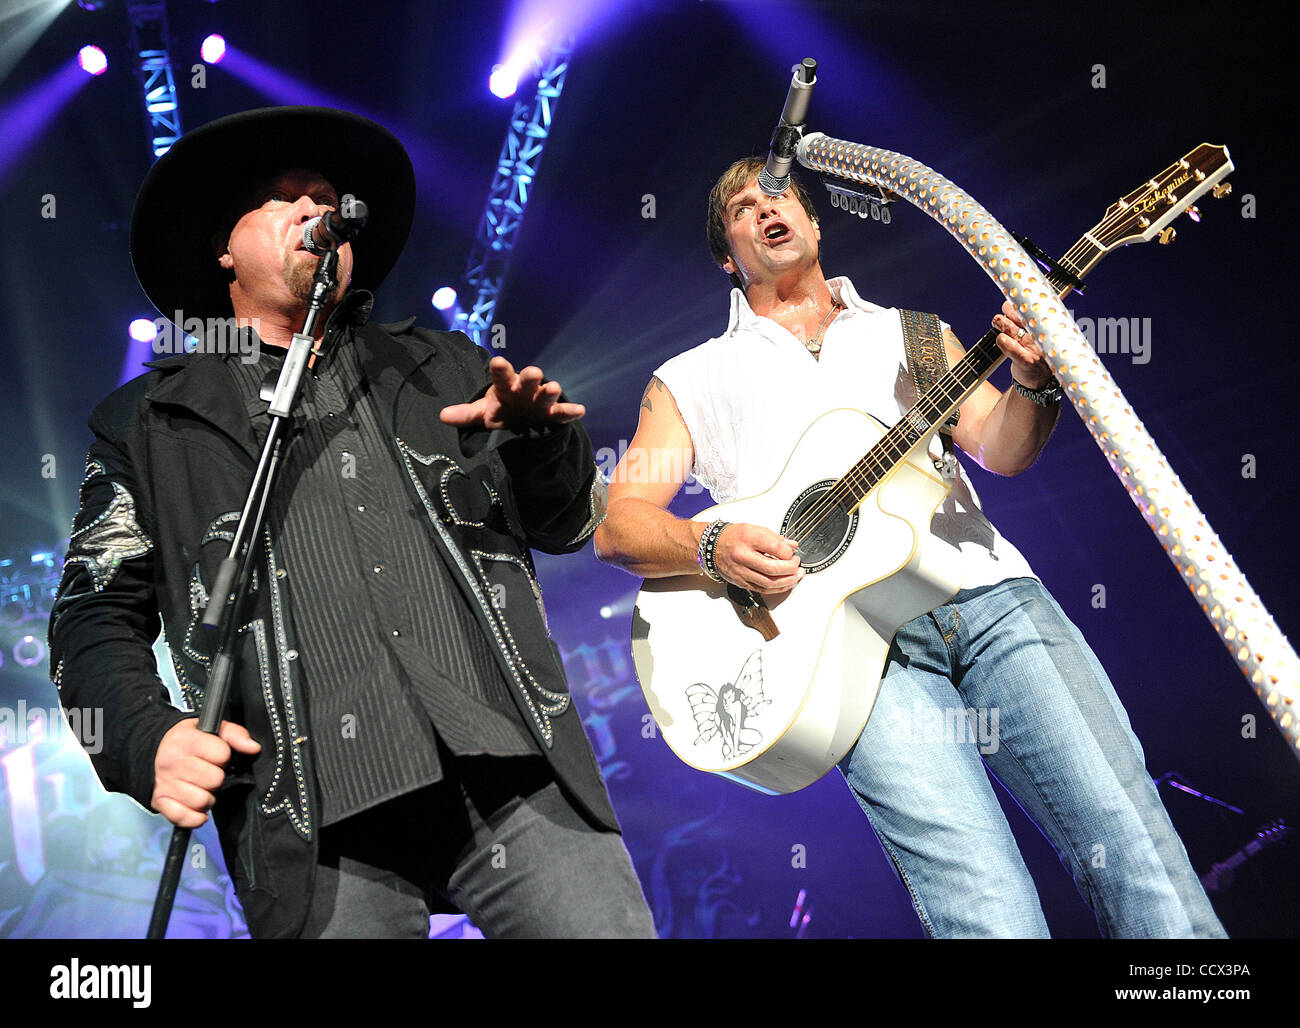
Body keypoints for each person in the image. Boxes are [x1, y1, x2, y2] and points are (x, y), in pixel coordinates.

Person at [48, 106, 655, 939]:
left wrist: (541, 441)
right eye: (279, 199)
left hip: (512, 769)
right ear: (224, 248)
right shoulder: (148, 424)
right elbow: (92, 613)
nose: (311, 211)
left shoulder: (443, 364)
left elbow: (567, 520)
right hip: (314, 819)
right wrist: (146, 738)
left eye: (324, 196)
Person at [593, 156, 1225, 938]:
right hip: (851, 657)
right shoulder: (690, 378)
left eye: (783, 194)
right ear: (727, 254)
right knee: (986, 911)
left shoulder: (912, 333)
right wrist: (709, 542)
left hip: (989, 600)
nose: (768, 208)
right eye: (743, 207)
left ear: (817, 223)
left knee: (1134, 844)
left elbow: (1001, 447)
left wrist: (1033, 379)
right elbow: (619, 527)